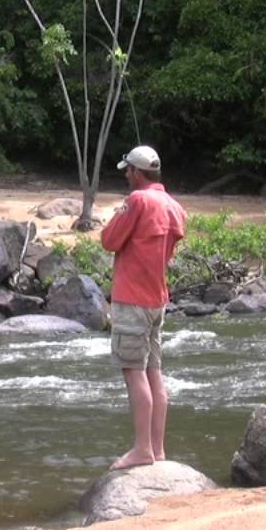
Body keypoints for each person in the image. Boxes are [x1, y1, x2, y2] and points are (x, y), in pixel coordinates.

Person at [100, 145, 187, 471]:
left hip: (131, 299)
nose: (125, 175)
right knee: (154, 372)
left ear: (137, 172)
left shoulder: (136, 201)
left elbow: (109, 240)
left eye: (127, 170)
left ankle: (141, 449)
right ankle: (158, 449)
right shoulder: (173, 206)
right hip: (156, 300)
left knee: (133, 372)